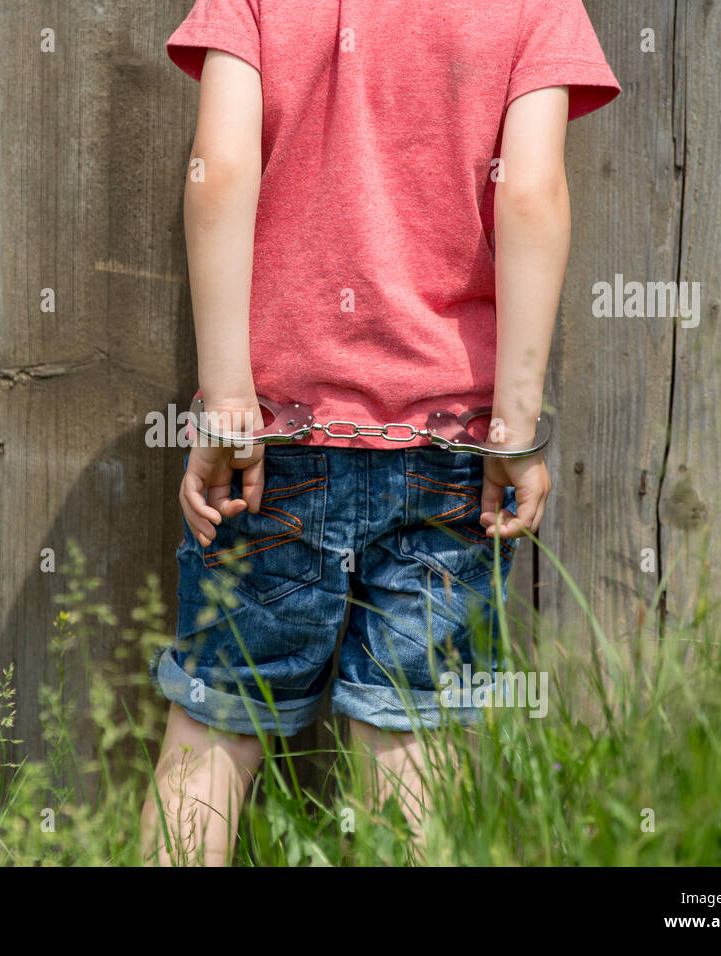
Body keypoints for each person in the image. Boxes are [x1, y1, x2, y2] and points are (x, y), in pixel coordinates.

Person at [141, 0, 619, 865]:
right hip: (448, 450)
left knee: (214, 728)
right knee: (413, 737)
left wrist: (224, 404)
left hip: (273, 448)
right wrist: (512, 428)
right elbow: (534, 193)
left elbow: (217, 172)